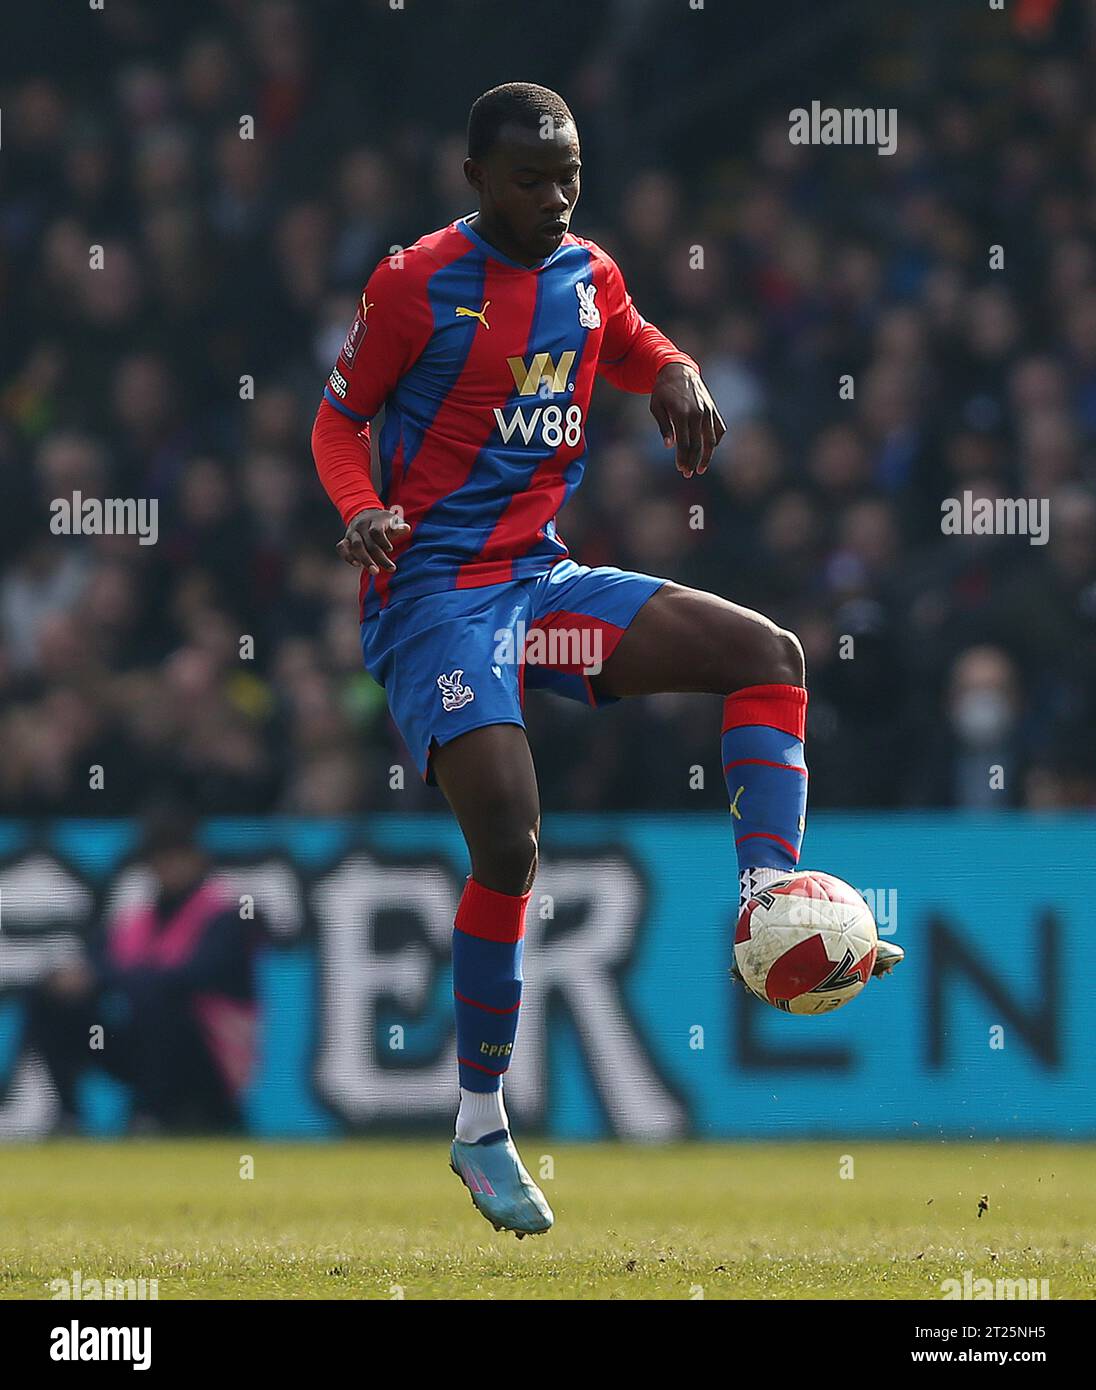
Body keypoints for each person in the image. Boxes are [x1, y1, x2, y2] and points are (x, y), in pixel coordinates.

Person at [311, 83, 903, 1236]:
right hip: (435, 600)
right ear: (476, 177)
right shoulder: (412, 284)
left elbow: (629, 343)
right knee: (511, 841)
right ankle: (480, 1119)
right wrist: (362, 507)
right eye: (530, 178)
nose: (555, 195)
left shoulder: (589, 274)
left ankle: (764, 892)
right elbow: (338, 419)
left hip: (539, 589)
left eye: (569, 173)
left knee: (764, 654)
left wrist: (676, 371)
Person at [24, 804, 259, 1131]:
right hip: (146, 1050)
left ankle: (152, 1114)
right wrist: (74, 979)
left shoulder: (225, 912)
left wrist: (107, 976)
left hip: (210, 1056)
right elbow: (97, 965)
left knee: (155, 995)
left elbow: (194, 975)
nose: (167, 867)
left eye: (176, 855)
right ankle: (69, 1115)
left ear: (197, 857)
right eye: (158, 858)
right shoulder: (138, 915)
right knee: (54, 995)